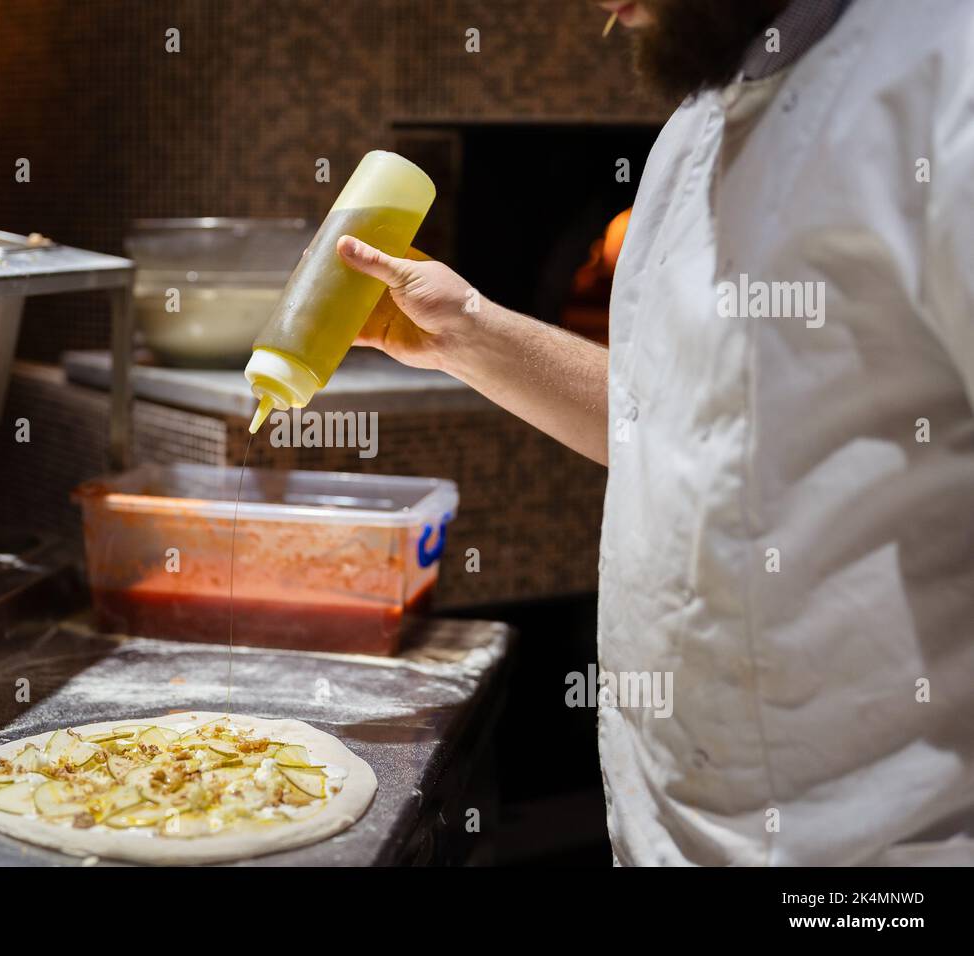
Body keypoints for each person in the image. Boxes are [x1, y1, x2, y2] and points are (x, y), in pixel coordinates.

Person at [338, 0, 974, 865]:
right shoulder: (691, 133)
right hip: (669, 831)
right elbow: (669, 424)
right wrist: (468, 332)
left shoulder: (947, 70)